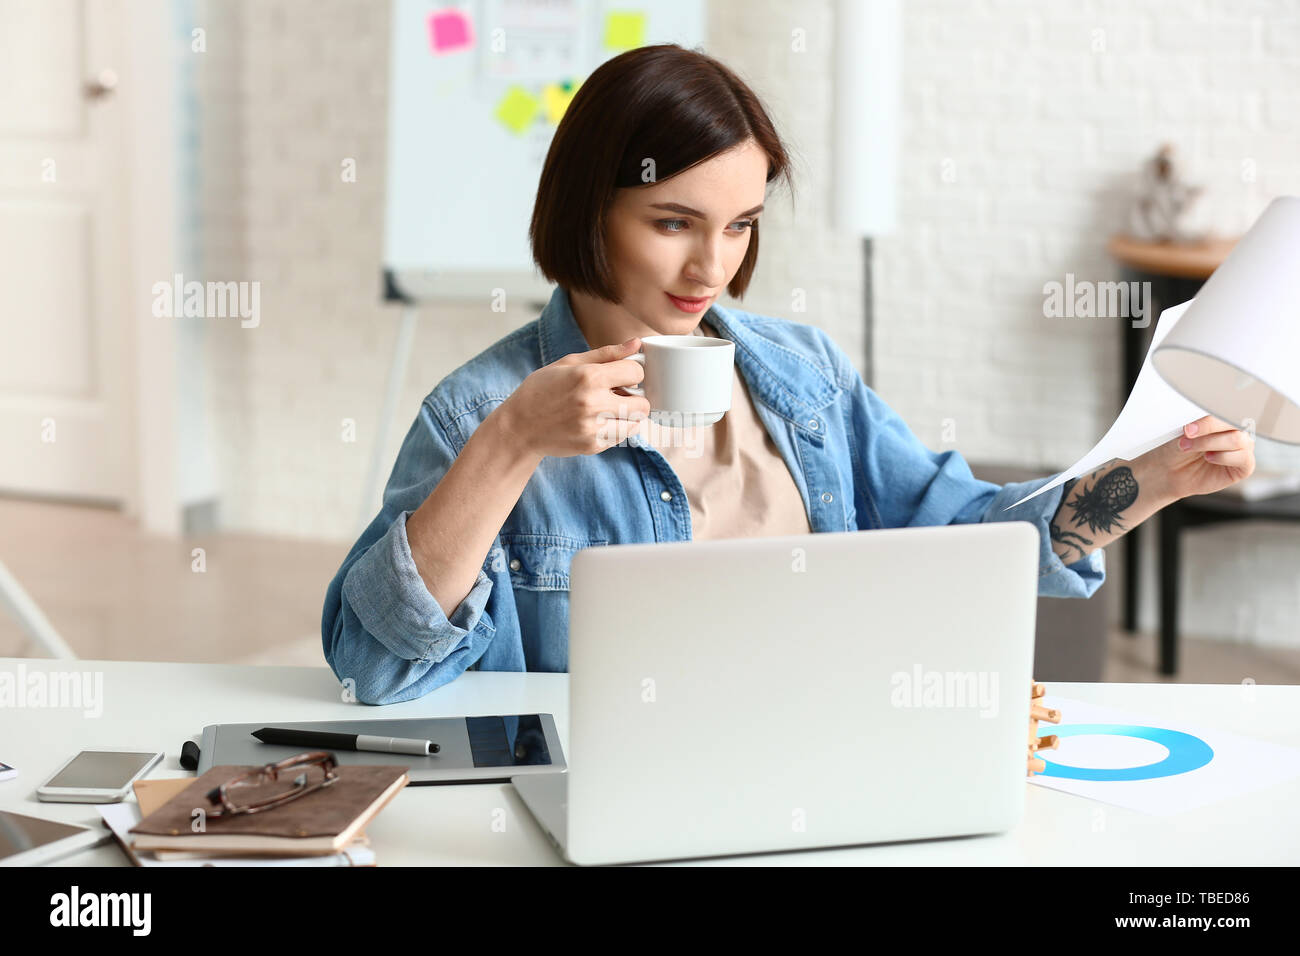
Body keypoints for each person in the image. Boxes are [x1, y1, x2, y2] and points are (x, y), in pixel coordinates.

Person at [322, 44, 1255, 705]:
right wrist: (515, 444)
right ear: (586, 208)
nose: (712, 268)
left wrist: (1152, 479)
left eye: (740, 225)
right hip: (605, 797)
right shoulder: (481, 410)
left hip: (816, 746)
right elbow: (374, 665)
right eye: (674, 221)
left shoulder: (801, 376)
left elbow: (964, 536)